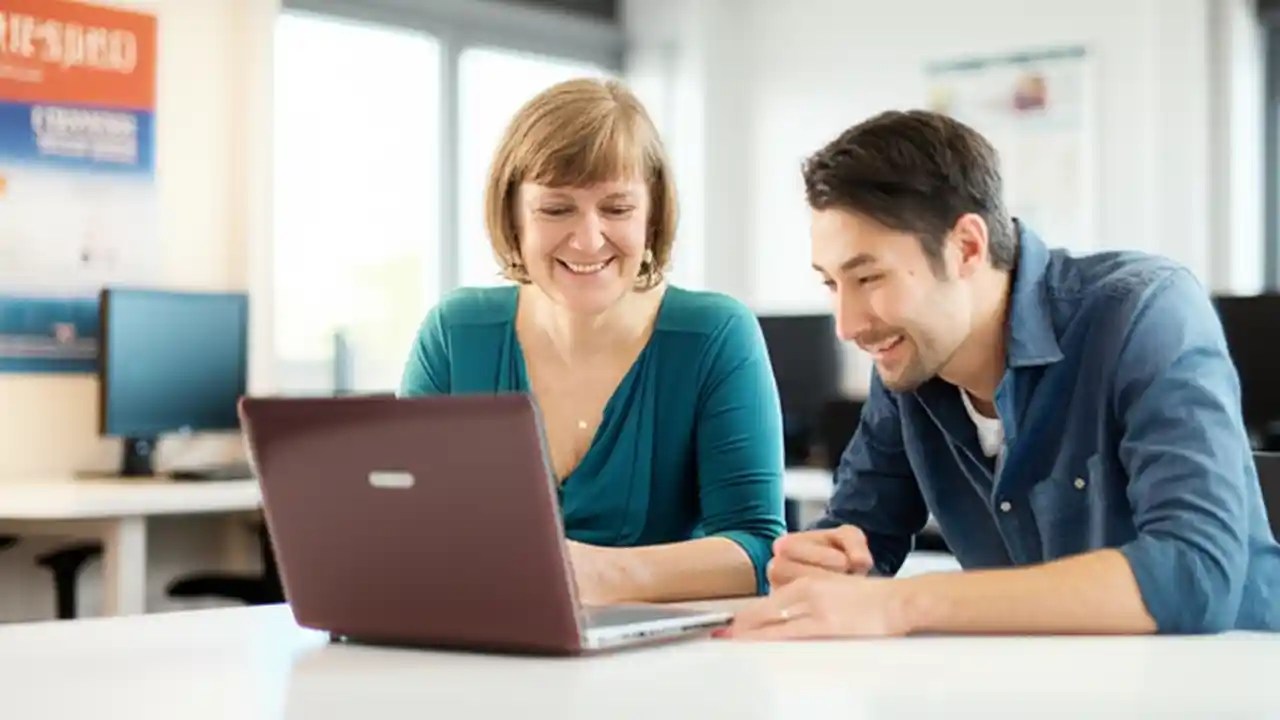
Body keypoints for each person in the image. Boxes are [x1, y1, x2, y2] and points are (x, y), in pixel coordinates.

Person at [724, 109, 1280, 639]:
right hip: (1033, 687)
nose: (846, 325)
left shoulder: (1144, 313)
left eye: (868, 278)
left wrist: (904, 604)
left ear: (967, 247)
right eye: (830, 283)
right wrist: (821, 568)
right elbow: (858, 537)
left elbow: (1194, 571)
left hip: (1219, 682)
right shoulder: (911, 362)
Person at [399, 78, 786, 604]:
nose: (587, 239)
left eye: (617, 209)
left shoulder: (715, 335)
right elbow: (403, 532)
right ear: (513, 215)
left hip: (670, 668)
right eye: (556, 209)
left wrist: (597, 574)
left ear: (652, 216)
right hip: (484, 655)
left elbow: (760, 550)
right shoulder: (453, 334)